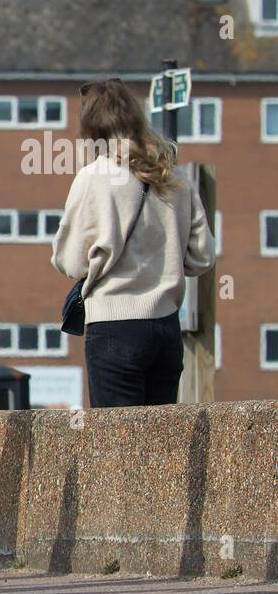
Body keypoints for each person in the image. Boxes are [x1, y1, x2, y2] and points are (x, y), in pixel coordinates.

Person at [52, 78, 215, 407]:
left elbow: (70, 261)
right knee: (162, 446)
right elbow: (202, 256)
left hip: (115, 325)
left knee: (116, 449)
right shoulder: (174, 176)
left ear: (91, 124)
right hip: (167, 327)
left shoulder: (94, 177)